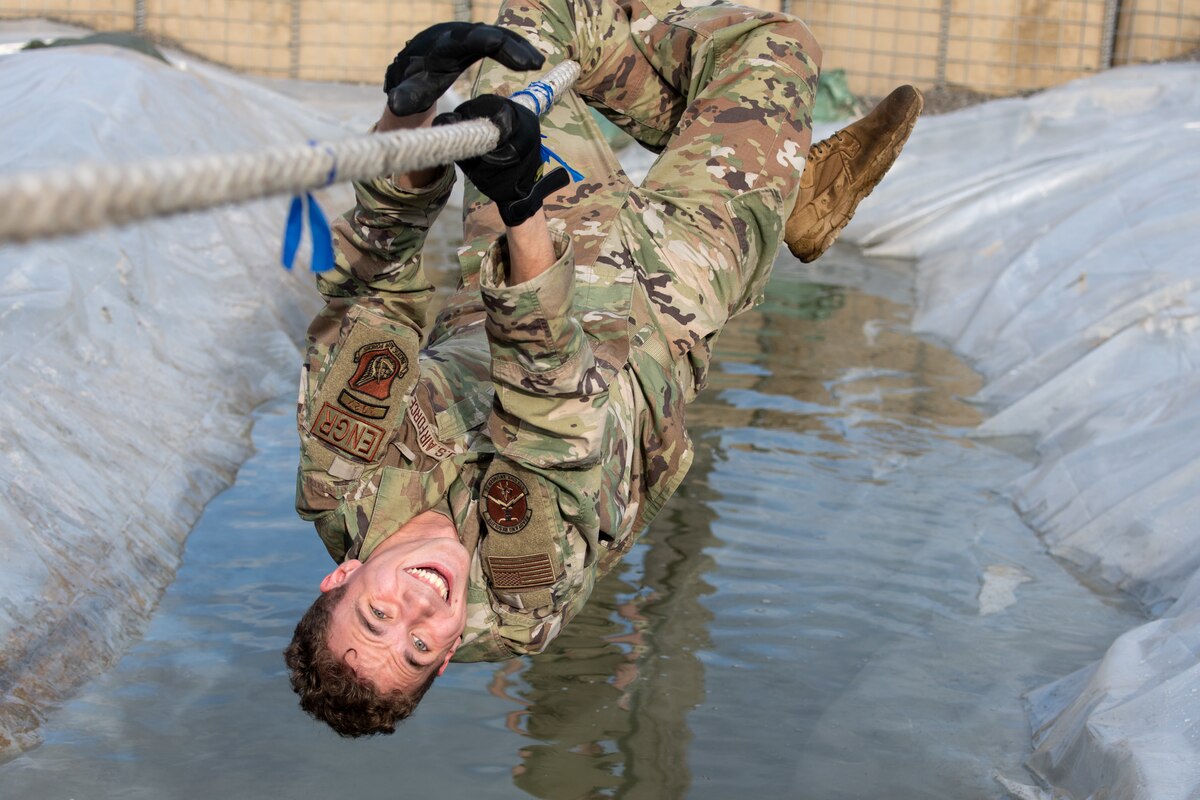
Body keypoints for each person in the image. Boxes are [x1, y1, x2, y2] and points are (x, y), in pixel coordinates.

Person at [284, 0, 922, 737]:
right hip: (660, 308)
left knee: (518, 44)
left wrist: (409, 117)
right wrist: (520, 203)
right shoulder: (522, 596)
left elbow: (370, 287)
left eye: (379, 614)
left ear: (341, 578)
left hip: (532, 252)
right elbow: (550, 408)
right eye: (420, 646)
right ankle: (775, 185)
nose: (420, 610)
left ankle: (783, 183)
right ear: (450, 652)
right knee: (775, 42)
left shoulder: (340, 473)